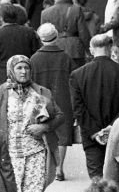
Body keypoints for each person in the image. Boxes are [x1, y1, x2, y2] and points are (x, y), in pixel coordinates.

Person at [0, 55, 64, 192]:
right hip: (9, 155)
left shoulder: (41, 92)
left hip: (36, 153)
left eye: (26, 68)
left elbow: (60, 116)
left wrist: (44, 127)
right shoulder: (0, 93)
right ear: (11, 70)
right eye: (19, 68)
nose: (23, 71)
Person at [69, 34, 119, 179]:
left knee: (97, 179)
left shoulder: (77, 75)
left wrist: (95, 132)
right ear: (111, 48)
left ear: (91, 50)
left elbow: (78, 109)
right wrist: (112, 126)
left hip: (92, 136)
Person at [30, 24, 76, 181]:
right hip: (63, 98)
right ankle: (59, 168)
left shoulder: (34, 59)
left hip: (41, 100)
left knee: (44, 132)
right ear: (56, 36)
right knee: (62, 134)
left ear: (40, 39)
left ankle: (47, 167)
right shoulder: (66, 58)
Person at [0, 5, 41, 83]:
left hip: (5, 79)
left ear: (0, 18)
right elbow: (36, 55)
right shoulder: (29, 32)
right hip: (26, 75)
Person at [40, 0, 90, 67]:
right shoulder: (76, 10)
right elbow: (84, 35)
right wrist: (89, 51)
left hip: (54, 50)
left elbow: (43, 36)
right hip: (75, 51)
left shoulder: (45, 13)